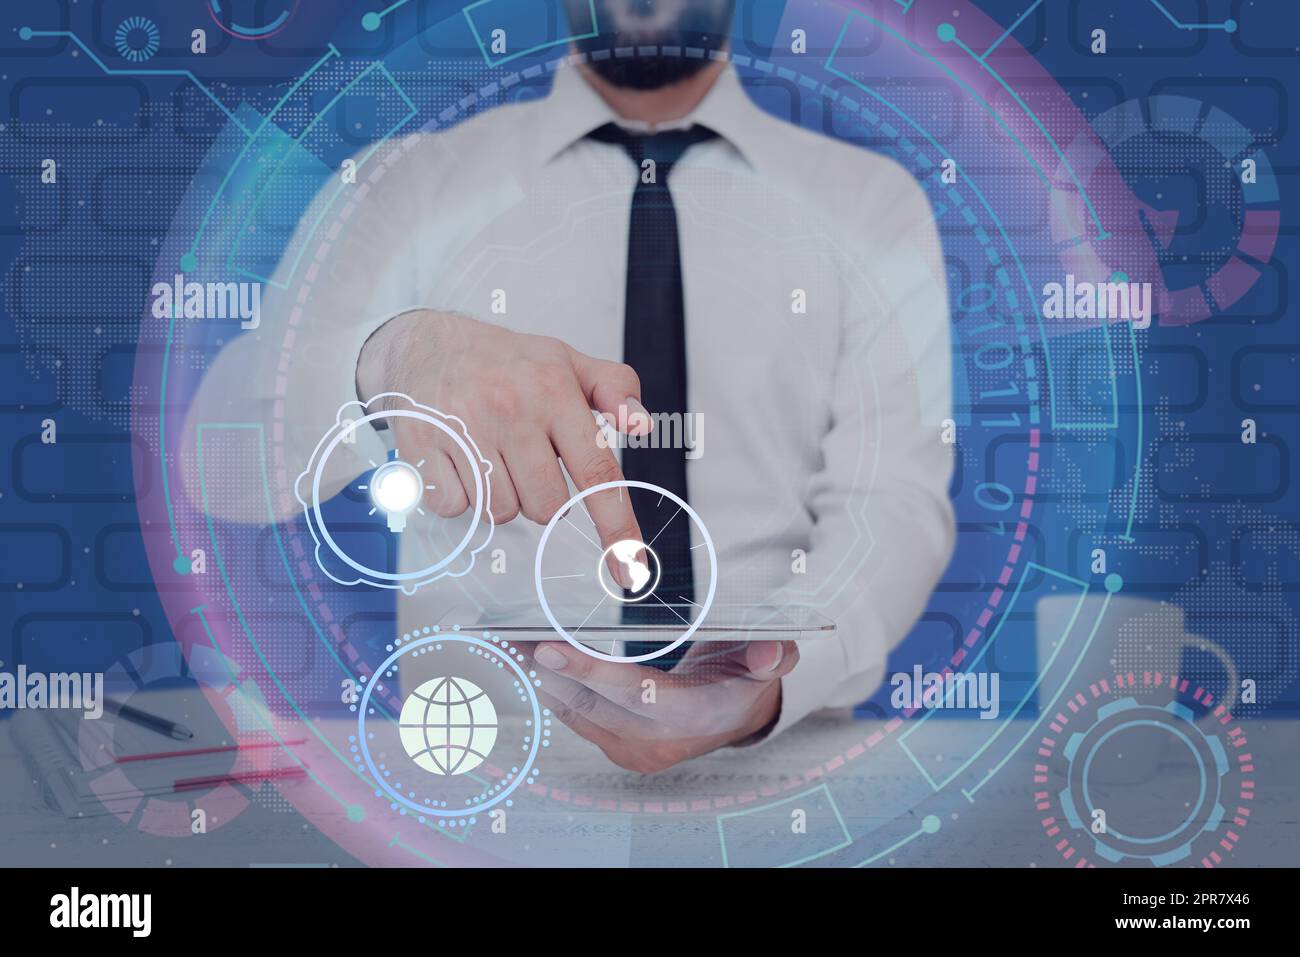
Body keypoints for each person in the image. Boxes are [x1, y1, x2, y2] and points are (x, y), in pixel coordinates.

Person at [186, 0, 955, 773]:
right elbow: (217, 462)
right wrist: (389, 363)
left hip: (781, 766)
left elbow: (892, 502)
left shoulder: (869, 204)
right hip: (476, 769)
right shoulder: (407, 184)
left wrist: (768, 683)